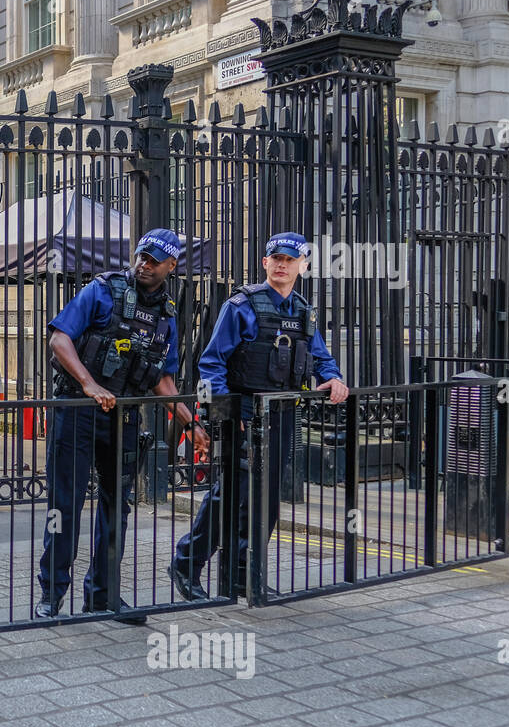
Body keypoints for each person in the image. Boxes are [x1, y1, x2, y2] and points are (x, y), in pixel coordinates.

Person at [36, 229, 208, 621]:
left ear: (171, 265)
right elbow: (60, 339)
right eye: (141, 257)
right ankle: (52, 594)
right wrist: (88, 383)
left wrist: (190, 424)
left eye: (154, 260)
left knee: (118, 507)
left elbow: (163, 379)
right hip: (77, 410)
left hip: (123, 417)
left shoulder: (166, 314)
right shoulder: (102, 290)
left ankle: (103, 594)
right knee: (65, 505)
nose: (144, 265)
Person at [168, 232, 348, 602]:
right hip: (244, 416)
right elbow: (211, 362)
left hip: (281, 415)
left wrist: (334, 377)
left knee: (265, 501)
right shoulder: (241, 305)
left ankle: (244, 575)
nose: (281, 265)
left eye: (289, 259)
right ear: (265, 263)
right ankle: (187, 563)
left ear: (303, 266)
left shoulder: (303, 310)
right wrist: (222, 417)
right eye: (275, 258)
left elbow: (319, 356)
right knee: (228, 496)